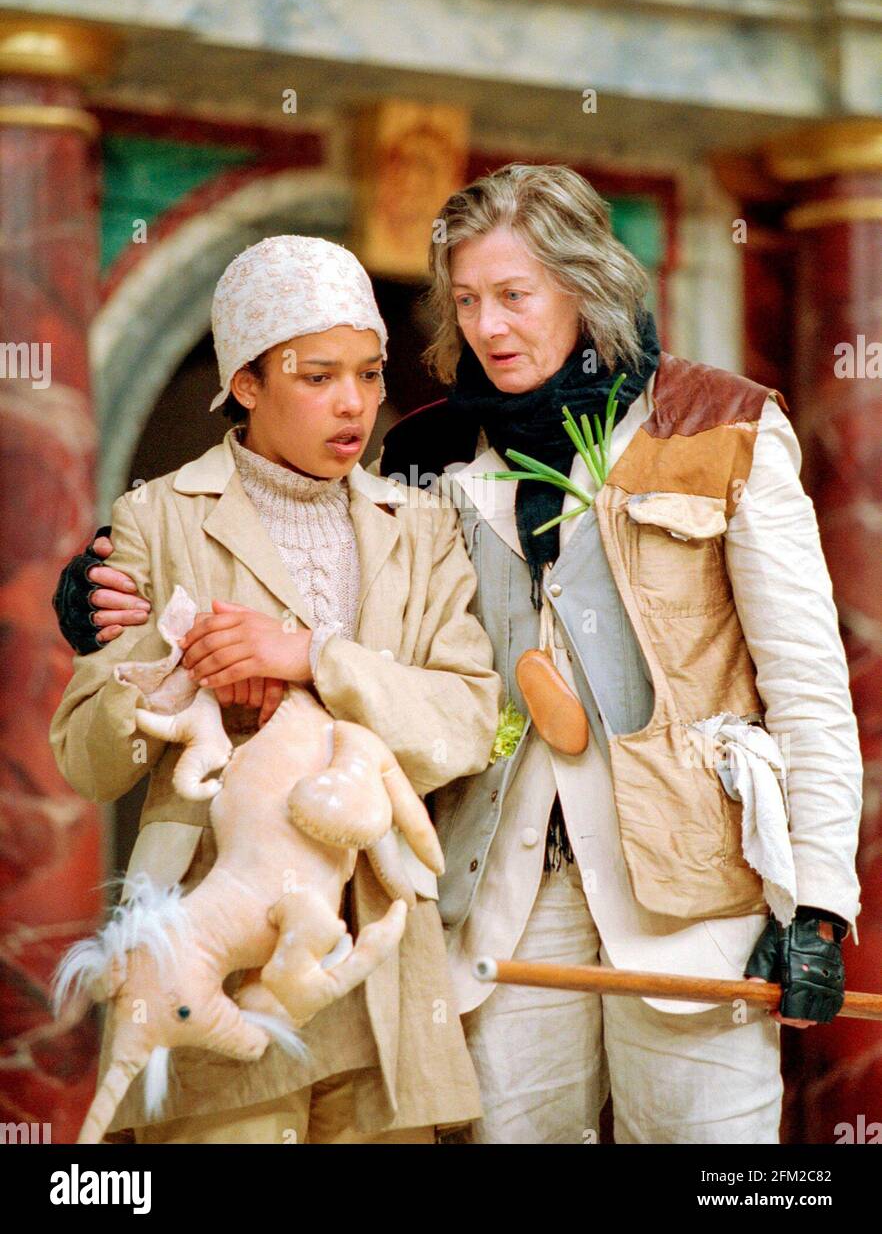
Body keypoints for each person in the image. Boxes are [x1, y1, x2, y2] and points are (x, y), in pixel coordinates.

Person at [54, 166, 864, 1147]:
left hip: (696, 894)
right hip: (497, 899)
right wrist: (103, 600)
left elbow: (810, 687)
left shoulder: (723, 424)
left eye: (515, 296)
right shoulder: (422, 455)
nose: (488, 327)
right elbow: (370, 629)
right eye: (468, 300)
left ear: (585, 286)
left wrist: (819, 904)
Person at [49, 234, 501, 1144]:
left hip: (378, 960)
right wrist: (176, 689)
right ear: (245, 384)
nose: (355, 405)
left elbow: (473, 721)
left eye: (370, 375)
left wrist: (309, 658)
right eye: (318, 375)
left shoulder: (420, 527)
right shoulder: (159, 517)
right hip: (214, 955)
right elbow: (88, 759)